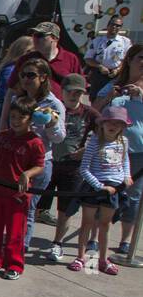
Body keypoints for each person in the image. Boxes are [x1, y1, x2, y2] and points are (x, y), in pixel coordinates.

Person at [0, 57, 66, 249]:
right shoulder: (17, 99)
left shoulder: (53, 104)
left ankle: (20, 248)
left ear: (44, 77)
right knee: (10, 206)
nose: (26, 79)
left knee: (27, 209)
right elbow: (4, 128)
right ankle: (9, 243)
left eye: (31, 75)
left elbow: (59, 137)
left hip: (38, 163)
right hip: (13, 158)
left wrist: (51, 123)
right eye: (23, 75)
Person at [0, 96, 45, 279]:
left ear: (30, 119)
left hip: (18, 194)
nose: (16, 121)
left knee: (15, 232)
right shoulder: (2, 136)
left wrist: (27, 173)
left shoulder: (35, 142)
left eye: (21, 118)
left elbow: (39, 165)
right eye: (13, 117)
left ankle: (14, 264)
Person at [93, 44, 143, 255]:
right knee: (105, 191)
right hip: (113, 146)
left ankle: (125, 241)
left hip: (139, 150)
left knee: (134, 196)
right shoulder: (115, 84)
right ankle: (94, 238)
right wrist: (110, 97)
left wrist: (140, 94)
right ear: (130, 59)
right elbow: (94, 108)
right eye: (140, 57)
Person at [73, 106, 133, 275]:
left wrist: (126, 176)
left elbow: (125, 160)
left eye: (118, 123)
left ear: (122, 126)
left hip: (115, 188)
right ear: (103, 124)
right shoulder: (94, 141)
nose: (113, 126)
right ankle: (80, 257)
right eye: (110, 122)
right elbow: (84, 168)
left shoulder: (123, 142)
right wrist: (99, 186)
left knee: (105, 225)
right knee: (87, 223)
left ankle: (102, 259)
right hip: (95, 187)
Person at [43, 74, 97, 262]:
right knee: (37, 204)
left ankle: (57, 243)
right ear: (62, 91)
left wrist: (87, 149)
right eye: (70, 92)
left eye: (78, 93)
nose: (74, 96)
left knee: (65, 209)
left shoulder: (89, 113)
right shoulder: (53, 109)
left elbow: (107, 134)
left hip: (73, 167)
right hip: (48, 163)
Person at [9, 22, 81, 100]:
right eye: (34, 35)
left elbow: (79, 88)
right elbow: (12, 89)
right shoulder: (26, 59)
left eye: (40, 35)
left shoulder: (70, 58)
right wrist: (5, 112)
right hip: (31, 108)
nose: (35, 39)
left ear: (55, 38)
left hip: (61, 108)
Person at [83, 15, 131, 97]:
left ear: (120, 28)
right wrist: (99, 66)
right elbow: (88, 58)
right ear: (108, 25)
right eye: (113, 24)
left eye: (118, 25)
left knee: (112, 100)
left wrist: (118, 69)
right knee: (95, 98)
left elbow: (128, 60)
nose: (115, 27)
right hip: (99, 75)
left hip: (116, 76)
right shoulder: (97, 41)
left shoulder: (125, 42)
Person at [0, 35, 34, 110]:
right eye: (32, 51)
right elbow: (4, 95)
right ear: (24, 51)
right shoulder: (10, 70)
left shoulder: (19, 68)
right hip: (7, 110)